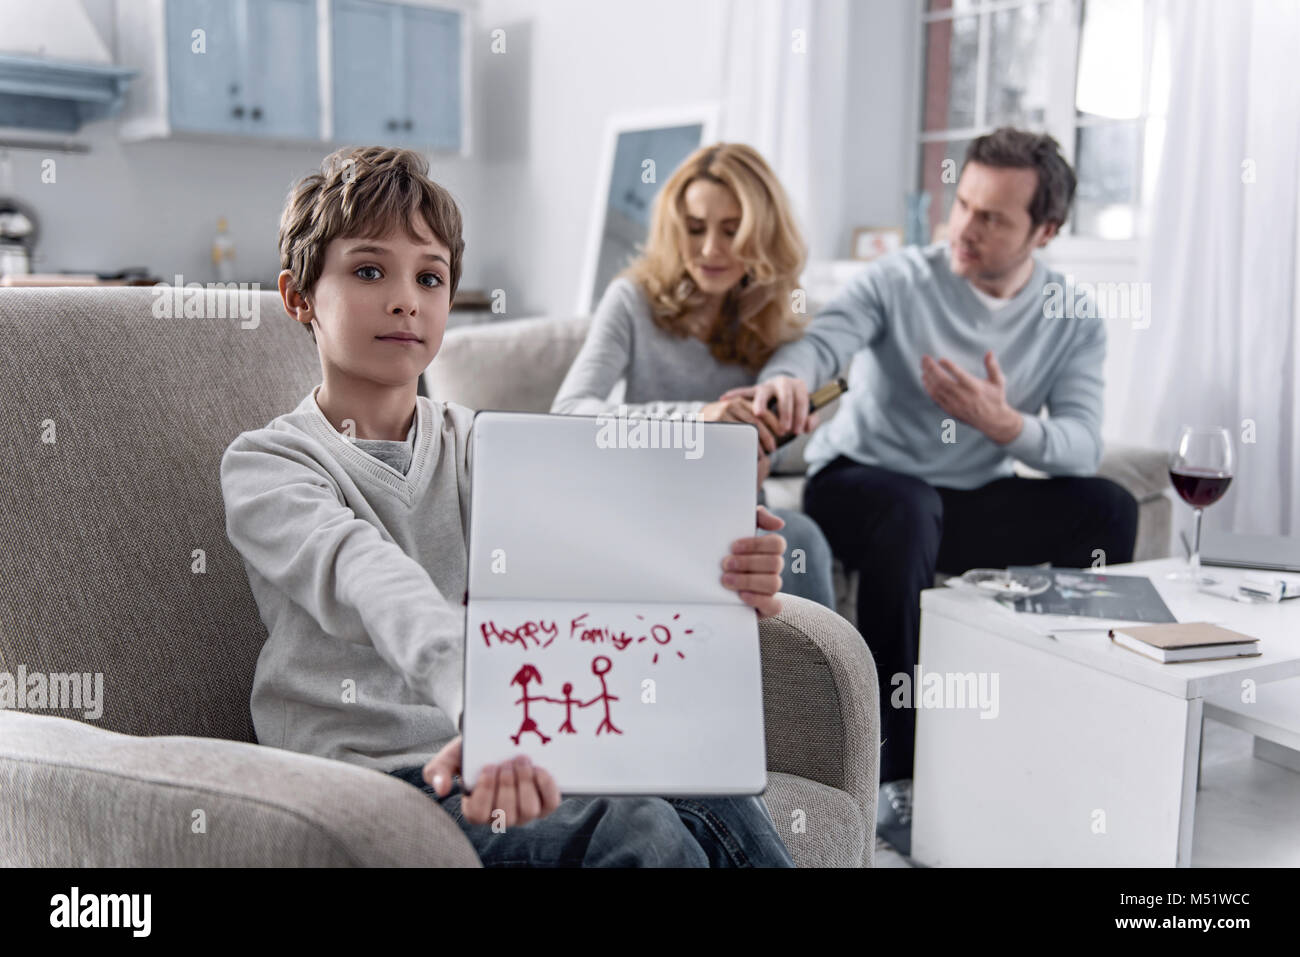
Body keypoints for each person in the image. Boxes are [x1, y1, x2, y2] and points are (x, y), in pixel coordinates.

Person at [220, 146, 794, 867]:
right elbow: (371, 579)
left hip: (505, 743)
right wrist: (484, 706)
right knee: (633, 828)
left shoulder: (479, 443)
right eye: (370, 271)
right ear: (298, 297)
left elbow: (595, 556)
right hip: (366, 780)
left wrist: (718, 569)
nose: (405, 298)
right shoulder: (268, 466)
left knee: (714, 790)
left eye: (429, 277)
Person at [745, 128, 1139, 856]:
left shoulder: (1072, 316)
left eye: (993, 217)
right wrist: (790, 376)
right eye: (963, 204)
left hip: (968, 498)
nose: (965, 227)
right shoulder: (900, 279)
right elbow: (822, 341)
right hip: (861, 484)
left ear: (1045, 232)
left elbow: (1082, 440)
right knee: (908, 509)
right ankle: (895, 773)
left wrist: (1006, 423)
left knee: (1107, 506)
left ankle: (1065, 727)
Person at [552, 142, 836, 611]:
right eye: (695, 229)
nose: (710, 250)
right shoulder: (631, 301)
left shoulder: (773, 312)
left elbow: (792, 389)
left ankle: (810, 686)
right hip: (648, 499)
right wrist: (700, 420)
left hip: (737, 508)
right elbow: (568, 413)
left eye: (731, 231)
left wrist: (766, 442)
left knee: (799, 540)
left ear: (761, 234)